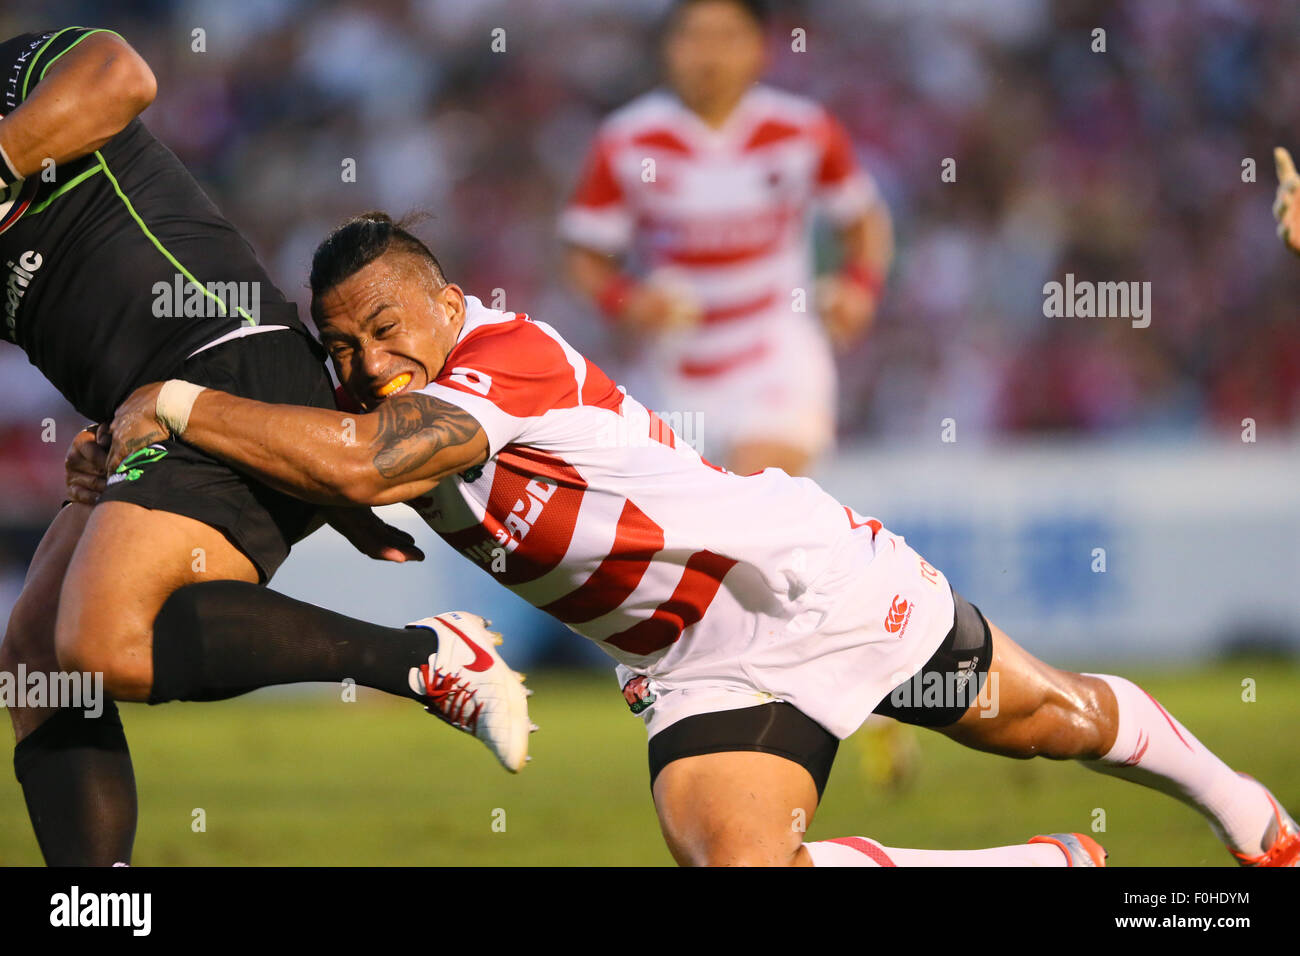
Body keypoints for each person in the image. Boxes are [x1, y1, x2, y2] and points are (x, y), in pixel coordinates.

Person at [104, 211, 1299, 866]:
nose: (366, 362)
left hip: (792, 583)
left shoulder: (497, 359)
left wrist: (168, 403)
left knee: (1053, 724)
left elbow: (368, 460)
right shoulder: (399, 395)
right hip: (689, 660)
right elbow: (350, 463)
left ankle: (1242, 806)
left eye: (384, 327)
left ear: (443, 297)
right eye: (344, 346)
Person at [0, 27, 529, 866]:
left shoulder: (21, 75)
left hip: (227, 361)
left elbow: (122, 73)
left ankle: (426, 657)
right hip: (140, 415)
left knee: (99, 646)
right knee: (36, 661)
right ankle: (97, 904)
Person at [560, 0, 892, 478]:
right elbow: (584, 253)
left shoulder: (803, 130)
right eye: (693, 37)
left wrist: (860, 288)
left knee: (758, 487)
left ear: (760, 49)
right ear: (668, 49)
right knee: (701, 536)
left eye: (728, 38)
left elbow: (862, 220)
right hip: (678, 366)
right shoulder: (628, 141)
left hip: (777, 352)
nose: (709, 55)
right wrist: (628, 301)